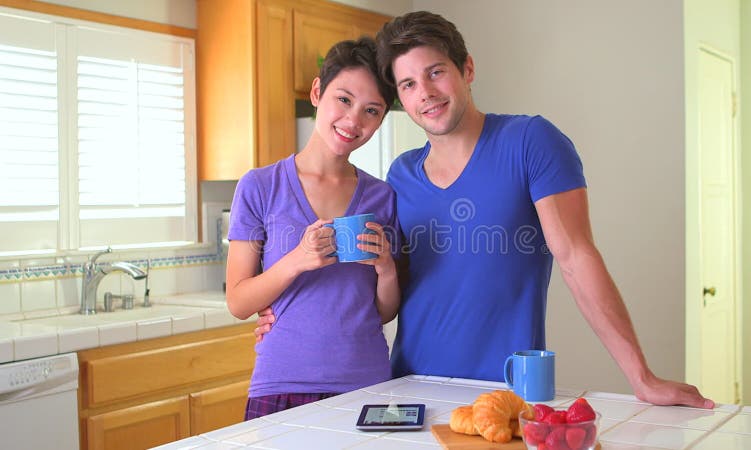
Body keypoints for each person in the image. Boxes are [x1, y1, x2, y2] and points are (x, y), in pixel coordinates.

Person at [256, 11, 714, 409]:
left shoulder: (531, 142)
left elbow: (577, 258)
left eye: (436, 72)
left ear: (467, 68)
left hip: (508, 392)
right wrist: (287, 315)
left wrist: (641, 376)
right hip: (409, 390)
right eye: (409, 84)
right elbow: (378, 282)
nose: (426, 94)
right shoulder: (401, 177)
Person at [226, 37, 401, 419]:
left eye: (371, 110)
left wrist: (386, 267)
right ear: (318, 92)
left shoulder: (382, 196)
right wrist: (297, 260)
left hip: (366, 383)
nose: (354, 120)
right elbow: (239, 302)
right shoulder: (260, 186)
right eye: (344, 99)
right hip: (282, 383)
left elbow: (382, 311)